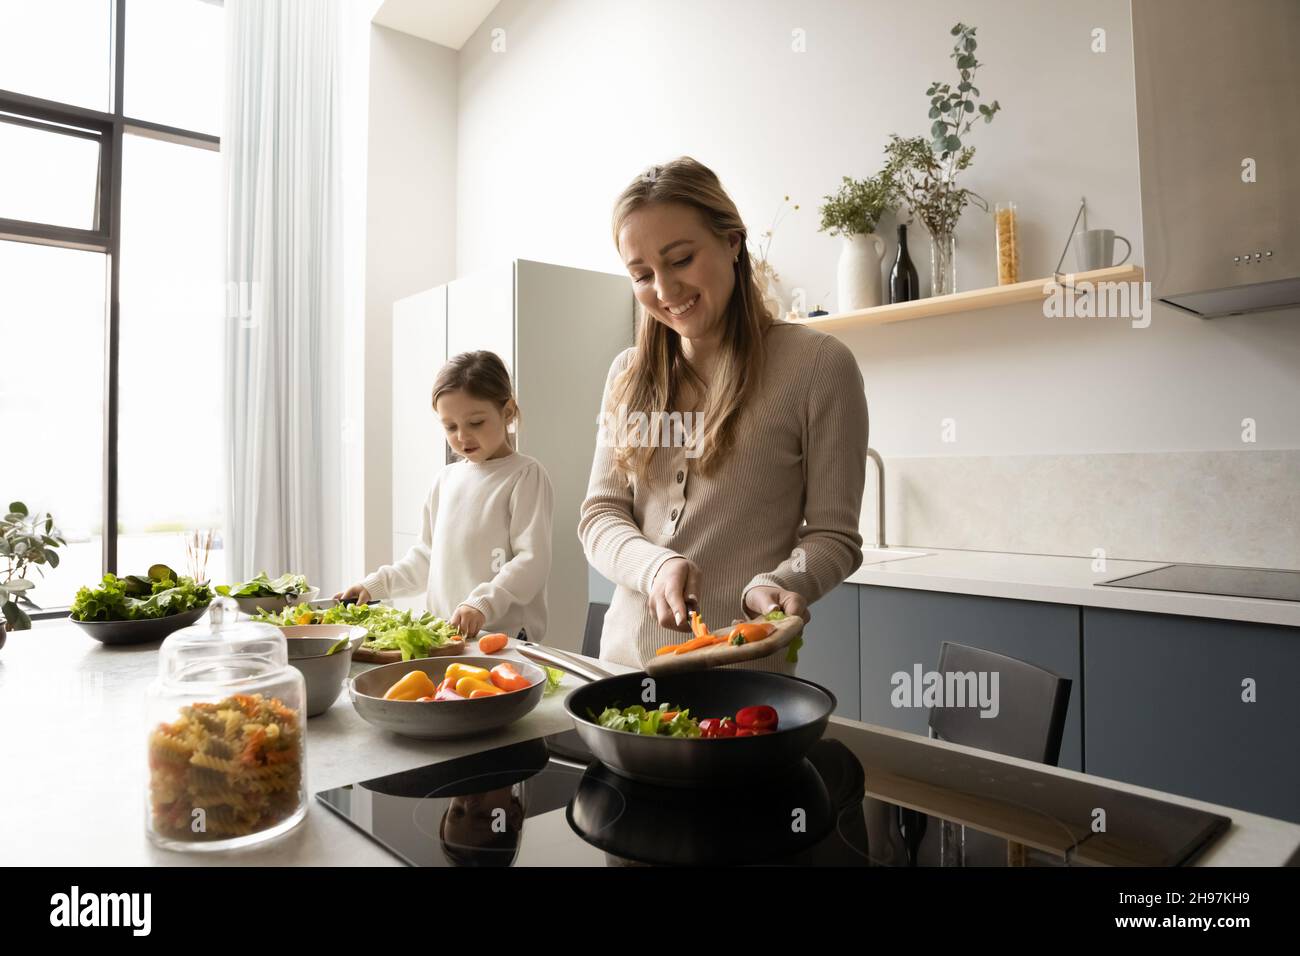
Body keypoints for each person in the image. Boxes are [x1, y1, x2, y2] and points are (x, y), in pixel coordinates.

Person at [579, 156, 868, 673]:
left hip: (742, 684)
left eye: (682, 259)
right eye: (642, 274)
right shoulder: (627, 374)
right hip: (622, 673)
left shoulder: (819, 367)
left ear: (732, 241)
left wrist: (778, 585)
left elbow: (834, 536)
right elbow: (600, 516)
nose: (665, 292)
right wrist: (656, 566)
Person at [337, 350, 554, 642]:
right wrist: (375, 585)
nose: (462, 437)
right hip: (449, 638)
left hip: (504, 639)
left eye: (476, 423)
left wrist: (482, 603)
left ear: (508, 412)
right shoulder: (445, 479)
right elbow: (426, 556)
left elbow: (532, 560)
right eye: (450, 427)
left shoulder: (525, 475)